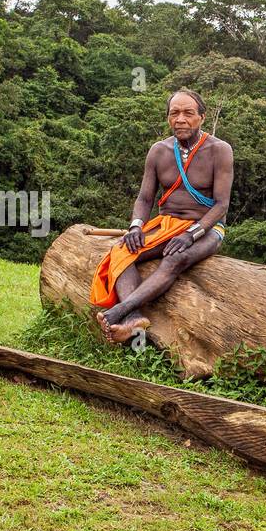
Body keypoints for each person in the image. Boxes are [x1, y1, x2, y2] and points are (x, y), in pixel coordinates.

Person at [90, 89, 234, 344]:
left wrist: (192, 235)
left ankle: (118, 311)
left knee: (175, 257)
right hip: (166, 225)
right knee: (122, 251)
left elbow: (221, 205)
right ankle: (133, 318)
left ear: (201, 117)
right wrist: (135, 227)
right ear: (168, 118)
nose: (180, 119)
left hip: (207, 229)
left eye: (188, 113)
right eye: (174, 113)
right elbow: (145, 199)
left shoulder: (220, 150)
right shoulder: (159, 151)